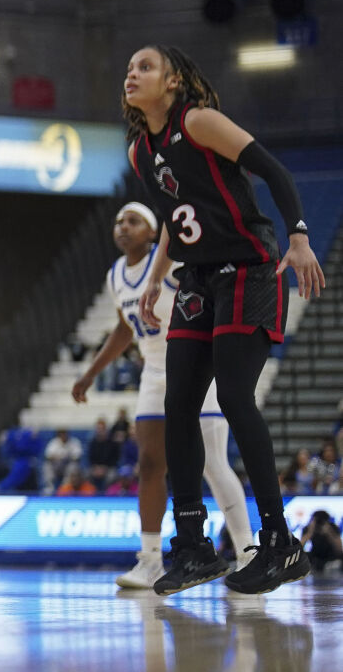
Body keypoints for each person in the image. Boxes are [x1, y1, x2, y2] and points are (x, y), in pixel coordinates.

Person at [124, 45, 325, 595]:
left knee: (235, 397)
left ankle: (280, 542)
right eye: (129, 69)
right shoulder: (142, 152)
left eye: (145, 67)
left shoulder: (198, 122)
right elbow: (175, 219)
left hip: (250, 268)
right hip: (197, 276)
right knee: (178, 406)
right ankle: (193, 547)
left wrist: (299, 237)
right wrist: (155, 277)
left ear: (172, 81)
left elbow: (273, 171)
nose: (132, 75)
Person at [73, 201, 253, 590]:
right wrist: (90, 373)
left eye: (133, 221)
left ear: (153, 232)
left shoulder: (171, 260)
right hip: (155, 372)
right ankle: (150, 559)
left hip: (195, 364)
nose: (123, 227)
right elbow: (124, 329)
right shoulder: (115, 275)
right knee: (150, 464)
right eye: (118, 221)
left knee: (212, 464)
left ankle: (247, 552)